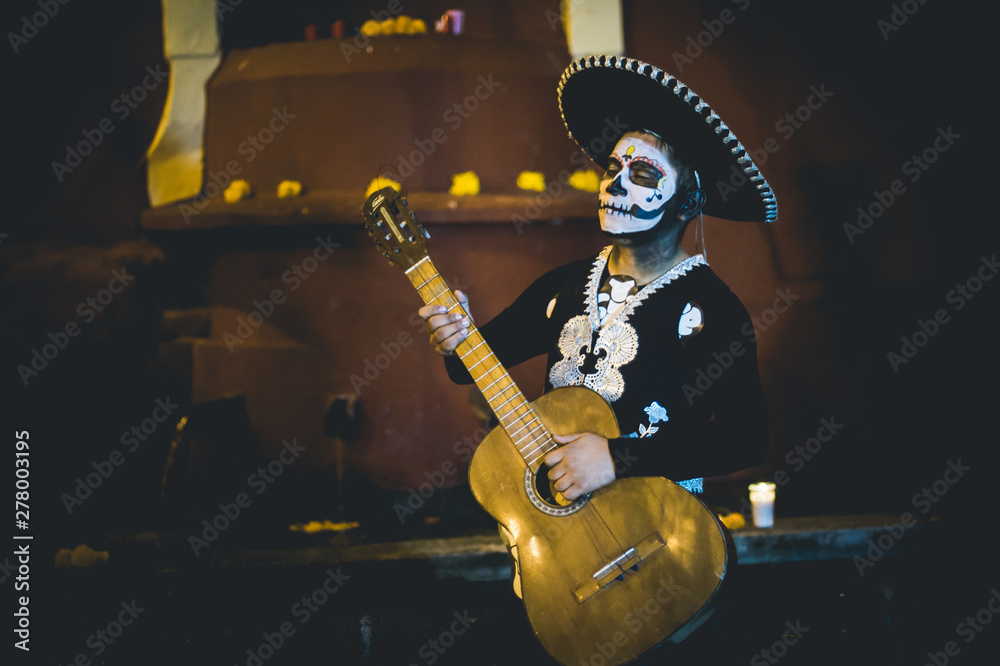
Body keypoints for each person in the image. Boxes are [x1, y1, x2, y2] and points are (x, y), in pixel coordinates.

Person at [419, 55, 776, 504]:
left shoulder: (712, 310)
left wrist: (616, 458)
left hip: (663, 535)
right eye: (612, 169)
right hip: (562, 533)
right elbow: (466, 366)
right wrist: (457, 336)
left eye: (643, 174)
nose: (614, 186)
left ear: (688, 204)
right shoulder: (563, 286)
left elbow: (745, 439)